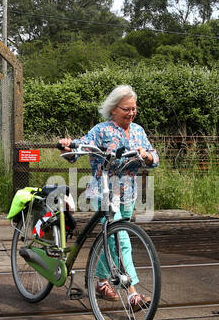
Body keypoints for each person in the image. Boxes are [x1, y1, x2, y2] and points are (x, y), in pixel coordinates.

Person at [57, 85, 159, 308]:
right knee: (120, 240)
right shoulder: (101, 130)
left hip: (129, 194)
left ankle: (102, 282)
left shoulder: (139, 131)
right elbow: (79, 149)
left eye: (134, 108)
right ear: (114, 109)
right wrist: (67, 146)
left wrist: (147, 156)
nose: (131, 113)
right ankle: (132, 294)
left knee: (110, 238)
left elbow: (154, 158)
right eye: (127, 109)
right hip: (104, 192)